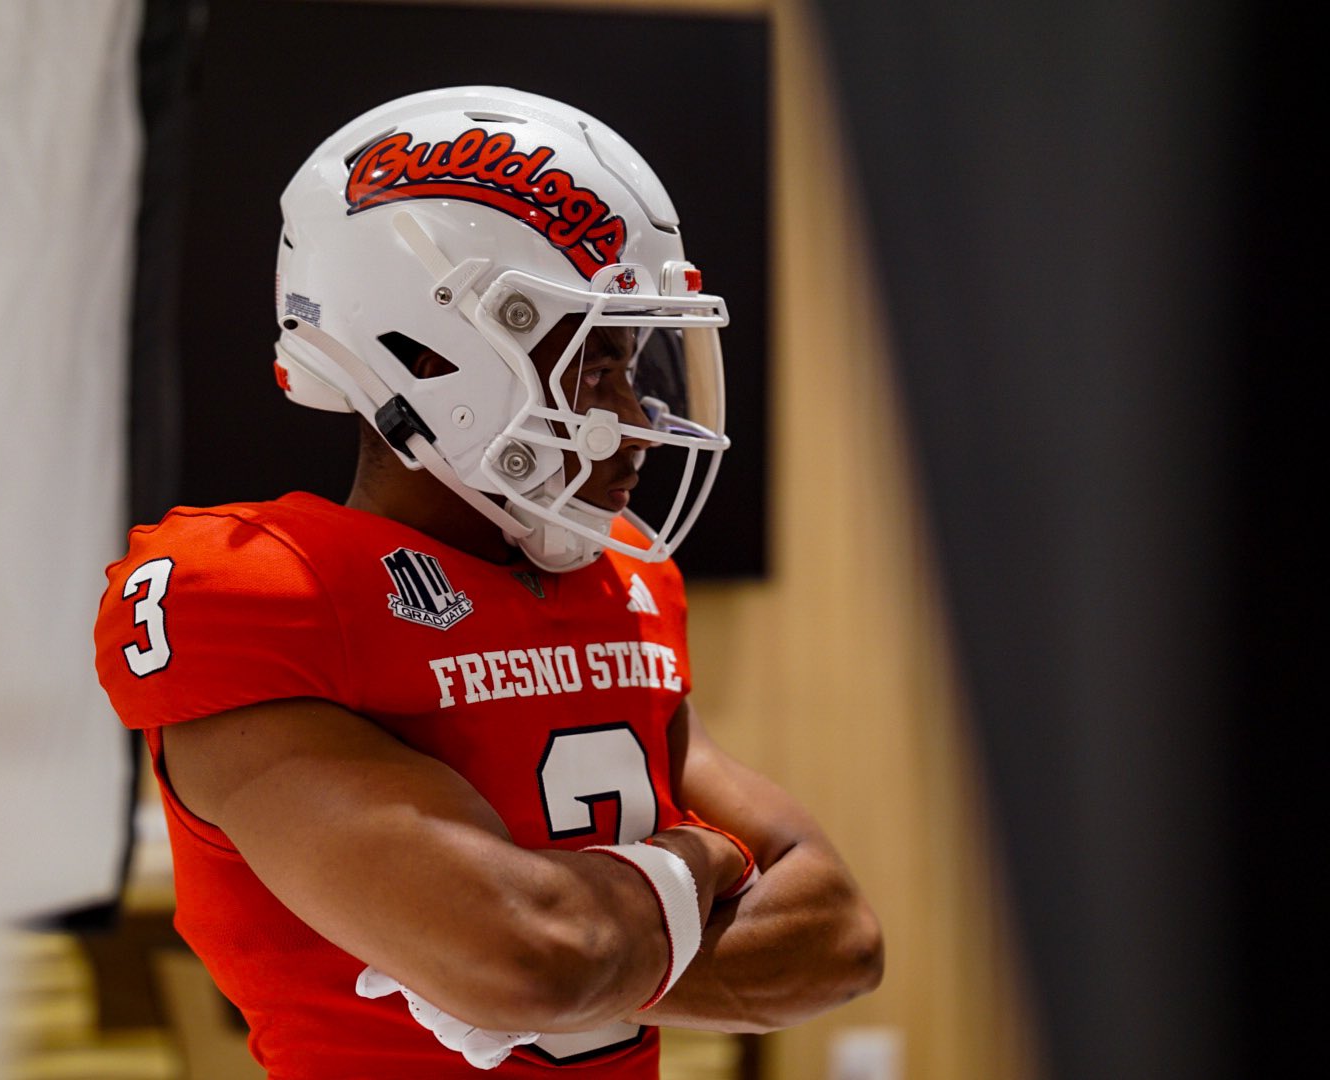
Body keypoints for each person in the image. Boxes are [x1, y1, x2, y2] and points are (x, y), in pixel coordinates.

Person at [95, 86, 881, 1078]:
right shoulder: (263, 592)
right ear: (434, 352)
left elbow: (839, 938)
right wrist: (700, 861)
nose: (633, 412)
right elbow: (529, 963)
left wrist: (600, 937)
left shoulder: (626, 579)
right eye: (595, 362)